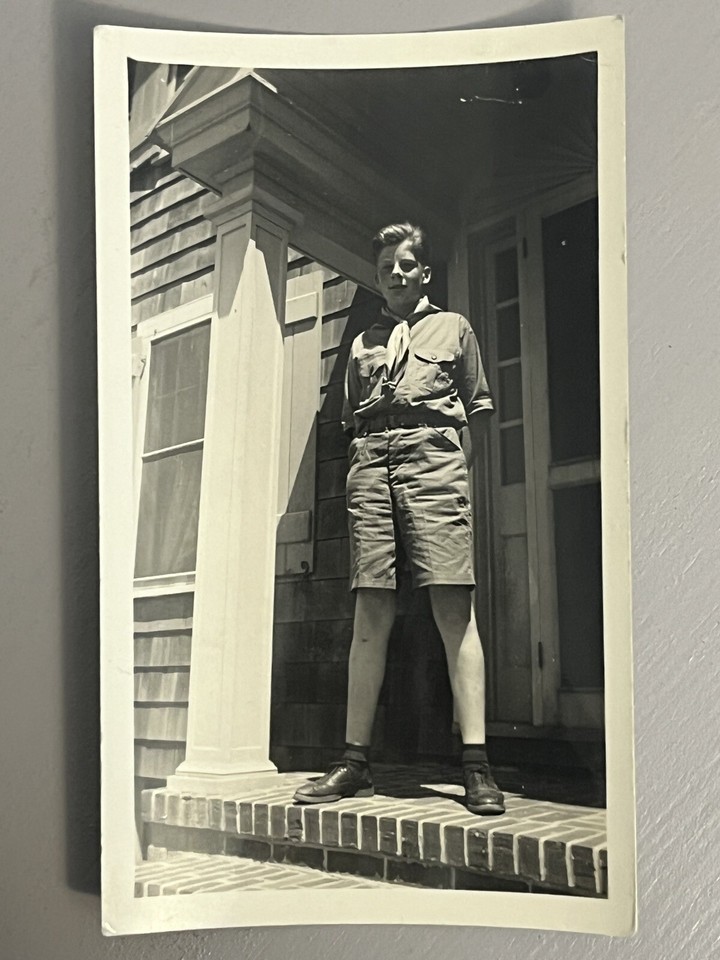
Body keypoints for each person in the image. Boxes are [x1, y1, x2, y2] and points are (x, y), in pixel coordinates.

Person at [293, 222, 505, 816]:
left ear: (424, 272)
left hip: (435, 465)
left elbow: (475, 420)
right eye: (386, 267)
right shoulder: (362, 342)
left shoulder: (454, 329)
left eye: (405, 265)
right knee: (370, 612)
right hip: (370, 467)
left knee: (452, 611)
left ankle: (477, 766)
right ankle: (354, 761)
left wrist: (457, 483)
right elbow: (348, 422)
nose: (395, 274)